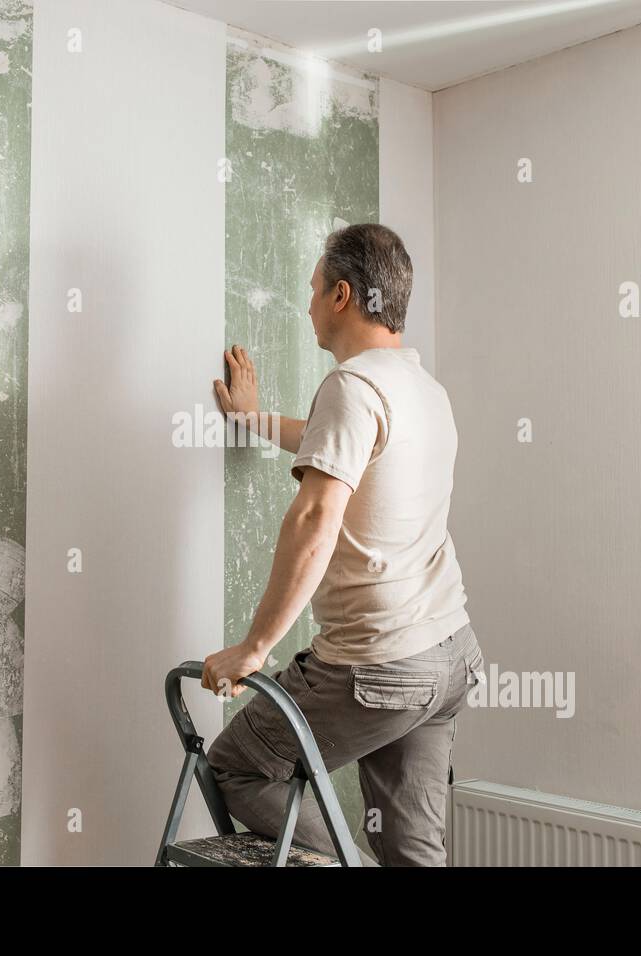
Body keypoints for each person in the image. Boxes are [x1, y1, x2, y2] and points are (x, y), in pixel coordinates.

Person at [202, 222, 484, 867]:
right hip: (446, 658)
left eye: (312, 290)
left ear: (341, 296)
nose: (306, 306)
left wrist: (254, 648)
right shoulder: (423, 392)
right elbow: (340, 443)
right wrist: (253, 418)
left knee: (239, 769)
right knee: (411, 848)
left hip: (377, 666)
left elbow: (314, 518)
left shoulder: (352, 386)